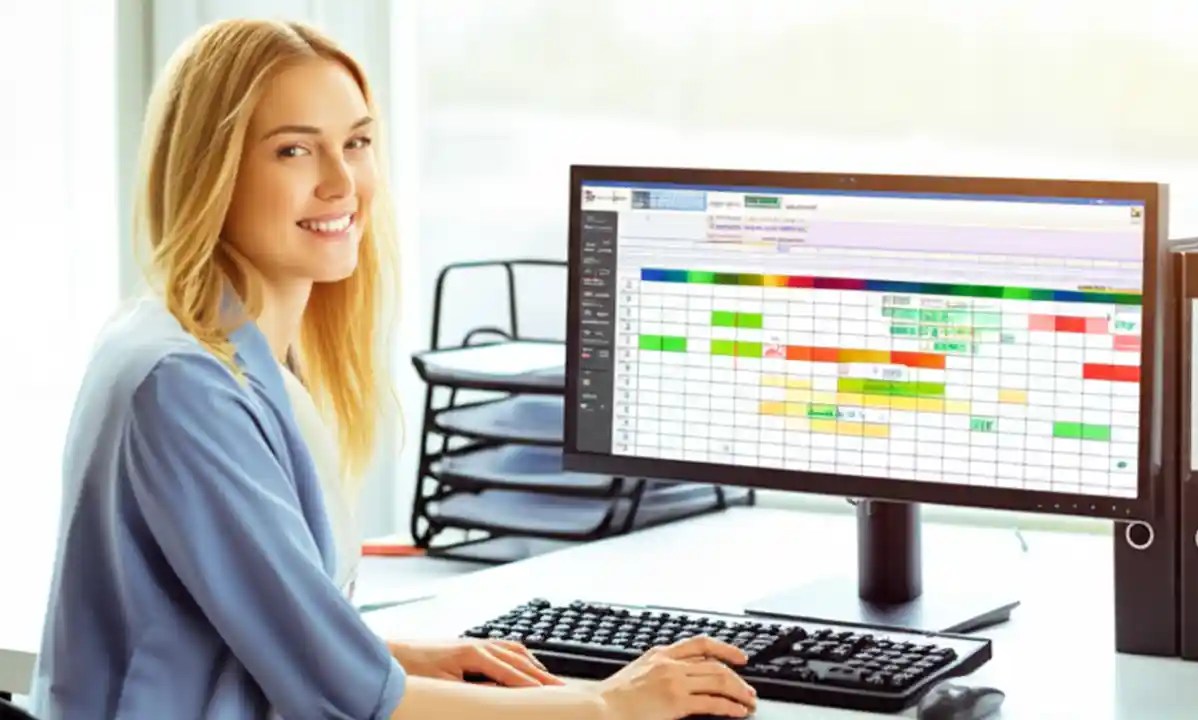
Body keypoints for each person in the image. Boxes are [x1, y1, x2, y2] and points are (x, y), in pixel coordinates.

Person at [27, 17, 758, 720]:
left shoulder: (190, 338)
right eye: (294, 150)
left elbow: (250, 620)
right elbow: (343, 699)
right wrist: (603, 705)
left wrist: (396, 654)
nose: (342, 182)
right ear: (208, 171)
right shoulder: (186, 387)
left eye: (357, 142)